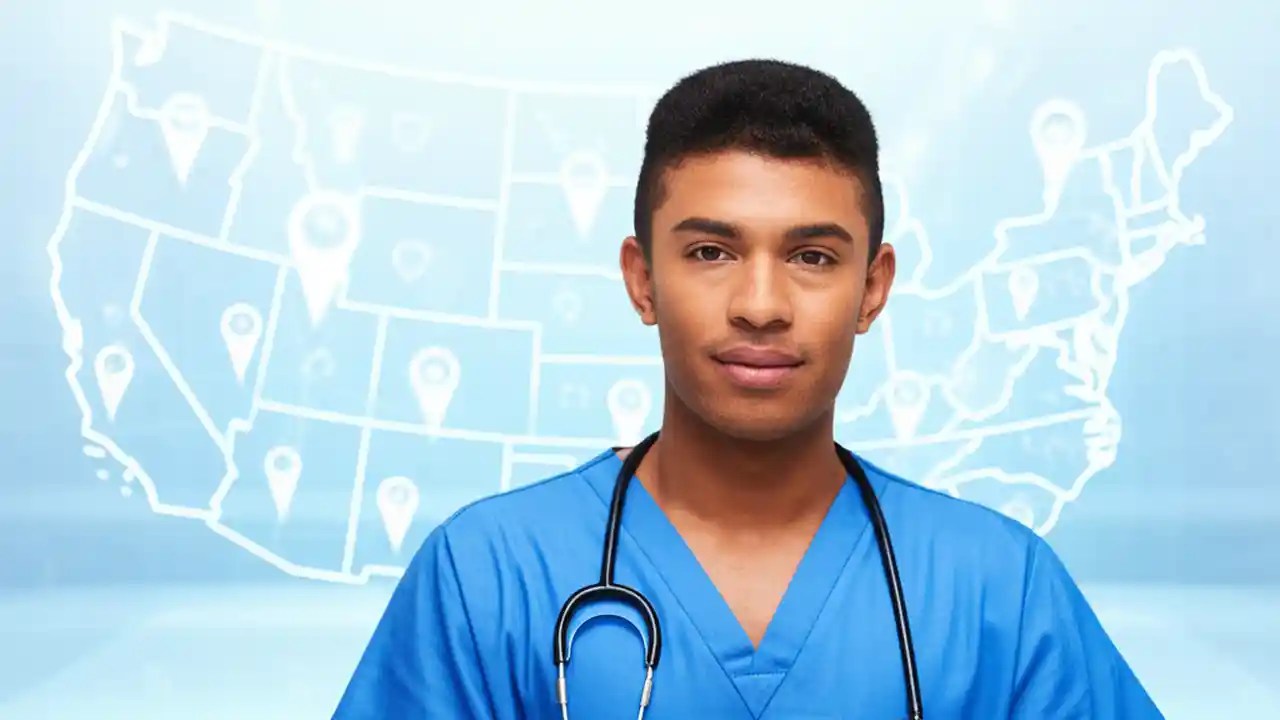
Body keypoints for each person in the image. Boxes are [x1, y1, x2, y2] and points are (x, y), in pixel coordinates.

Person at [331, 59, 1163, 719]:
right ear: (641, 279)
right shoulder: (488, 577)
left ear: (872, 289)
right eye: (710, 252)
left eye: (811, 257)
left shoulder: (998, 592)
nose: (760, 306)